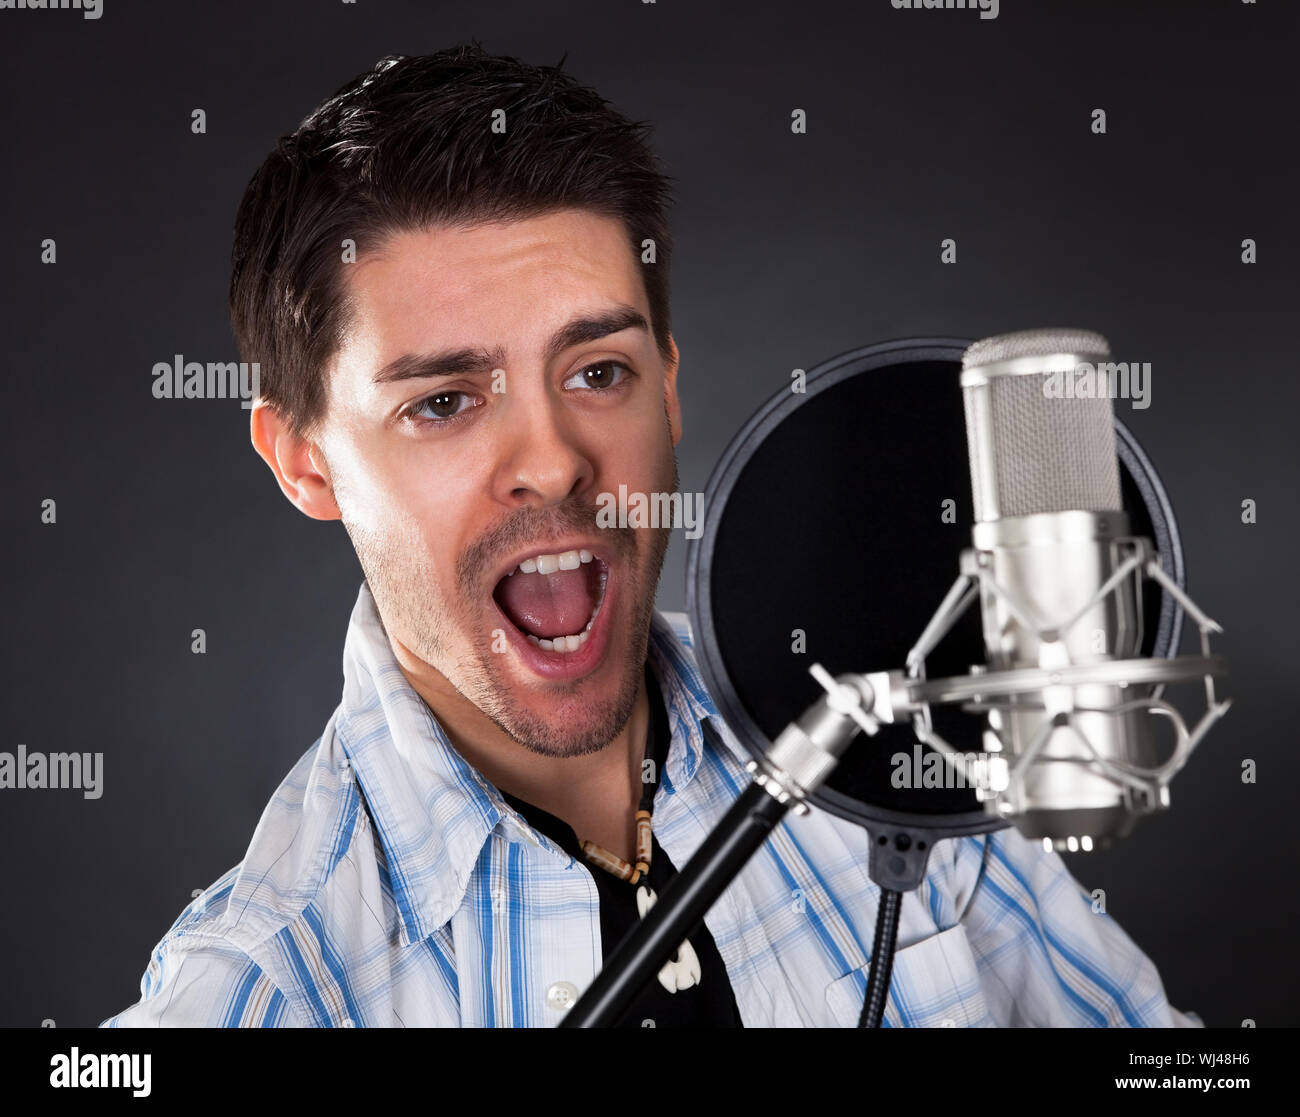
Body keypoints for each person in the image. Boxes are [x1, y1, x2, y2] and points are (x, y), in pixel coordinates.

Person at [102, 44, 1200, 1028]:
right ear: (305, 460)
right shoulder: (263, 989)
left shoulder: (892, 741)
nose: (554, 459)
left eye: (596, 372)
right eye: (442, 401)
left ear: (666, 394)